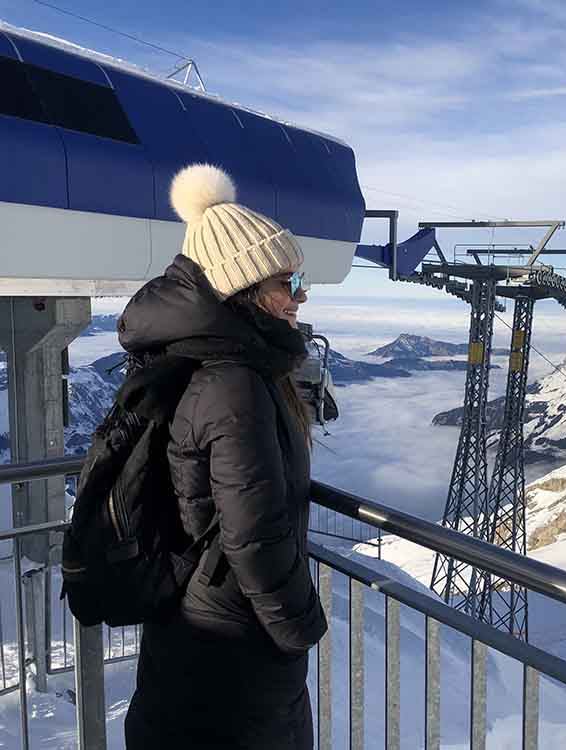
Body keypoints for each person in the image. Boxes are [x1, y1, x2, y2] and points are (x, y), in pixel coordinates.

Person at [121, 164, 326, 750]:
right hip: (236, 643)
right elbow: (252, 531)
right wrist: (299, 628)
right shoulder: (235, 383)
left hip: (193, 622)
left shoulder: (203, 364)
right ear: (247, 289)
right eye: (286, 281)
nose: (299, 297)